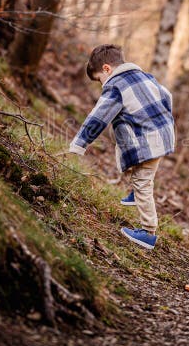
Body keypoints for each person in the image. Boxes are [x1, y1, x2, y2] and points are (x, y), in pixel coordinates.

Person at [67, 44, 175, 250]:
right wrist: (163, 119)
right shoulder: (146, 77)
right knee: (142, 171)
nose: (101, 85)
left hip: (147, 140)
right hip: (163, 134)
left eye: (99, 79)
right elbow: (167, 95)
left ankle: (148, 232)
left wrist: (79, 144)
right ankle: (137, 193)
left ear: (107, 69)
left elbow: (98, 117)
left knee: (143, 180)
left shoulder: (115, 85)